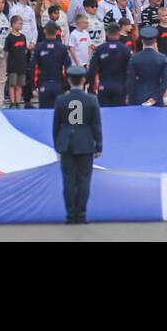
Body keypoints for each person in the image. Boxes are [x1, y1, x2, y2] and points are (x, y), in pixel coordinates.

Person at [53, 65, 102, 225]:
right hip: (86, 142)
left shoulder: (61, 100)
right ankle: (81, 214)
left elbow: (56, 126)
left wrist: (57, 145)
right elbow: (96, 124)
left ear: (68, 80)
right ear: (83, 80)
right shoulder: (91, 99)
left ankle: (70, 214)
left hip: (66, 143)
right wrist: (99, 145)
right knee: (83, 180)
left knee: (68, 181)